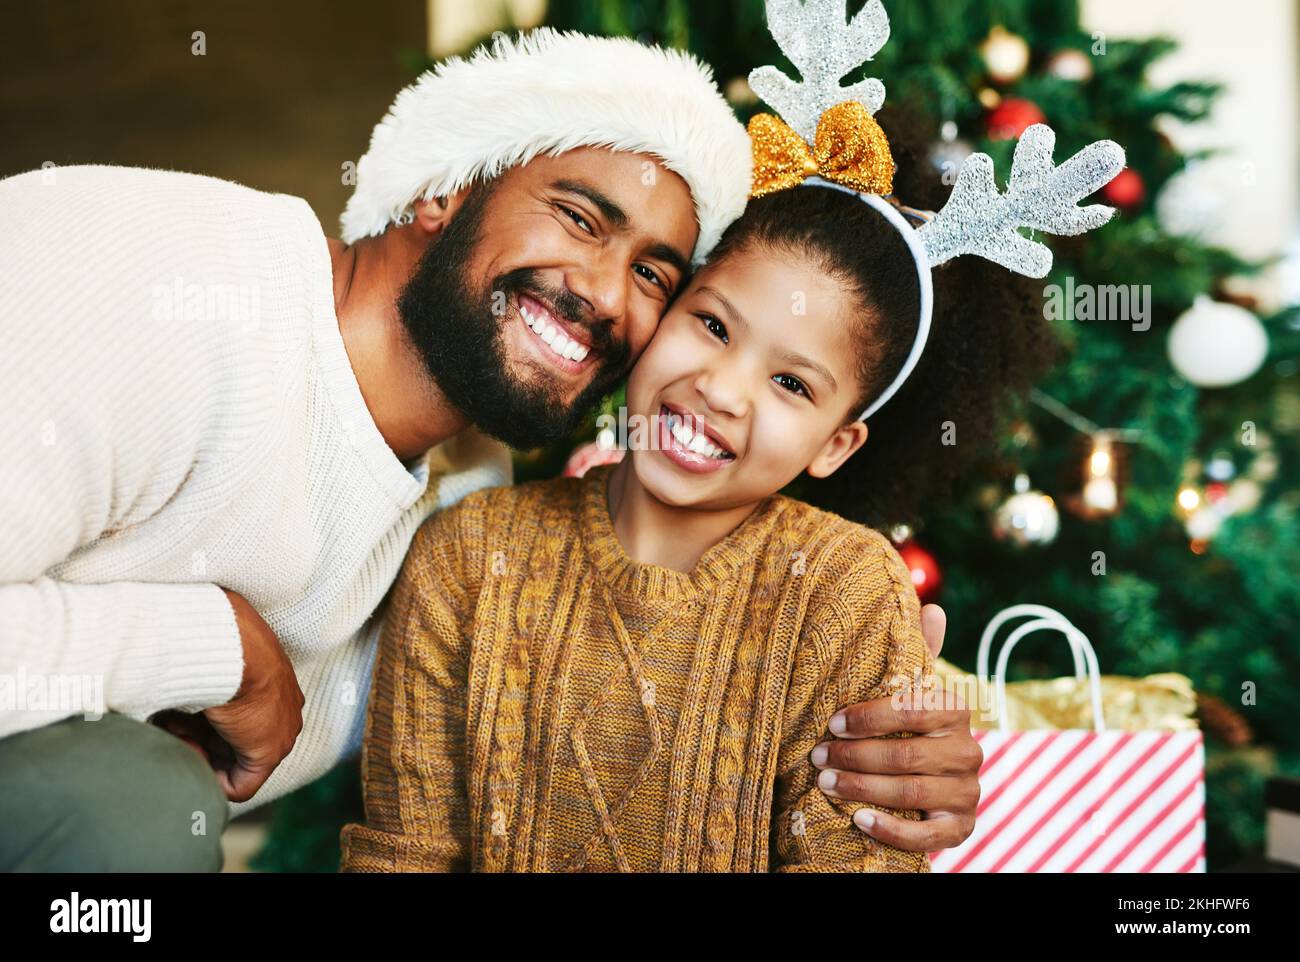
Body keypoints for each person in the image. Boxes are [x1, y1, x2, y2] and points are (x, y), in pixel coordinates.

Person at [0, 29, 980, 872]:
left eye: (653, 272)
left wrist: (886, 744)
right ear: (441, 192)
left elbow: (437, 721)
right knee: (126, 804)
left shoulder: (469, 490)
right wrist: (227, 651)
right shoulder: (150, 271)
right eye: (579, 215)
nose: (604, 293)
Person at [337, 22, 1124, 870]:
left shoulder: (847, 597)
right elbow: (402, 850)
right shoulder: (467, 553)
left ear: (837, 443)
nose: (722, 388)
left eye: (792, 385)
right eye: (711, 325)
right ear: (663, 310)